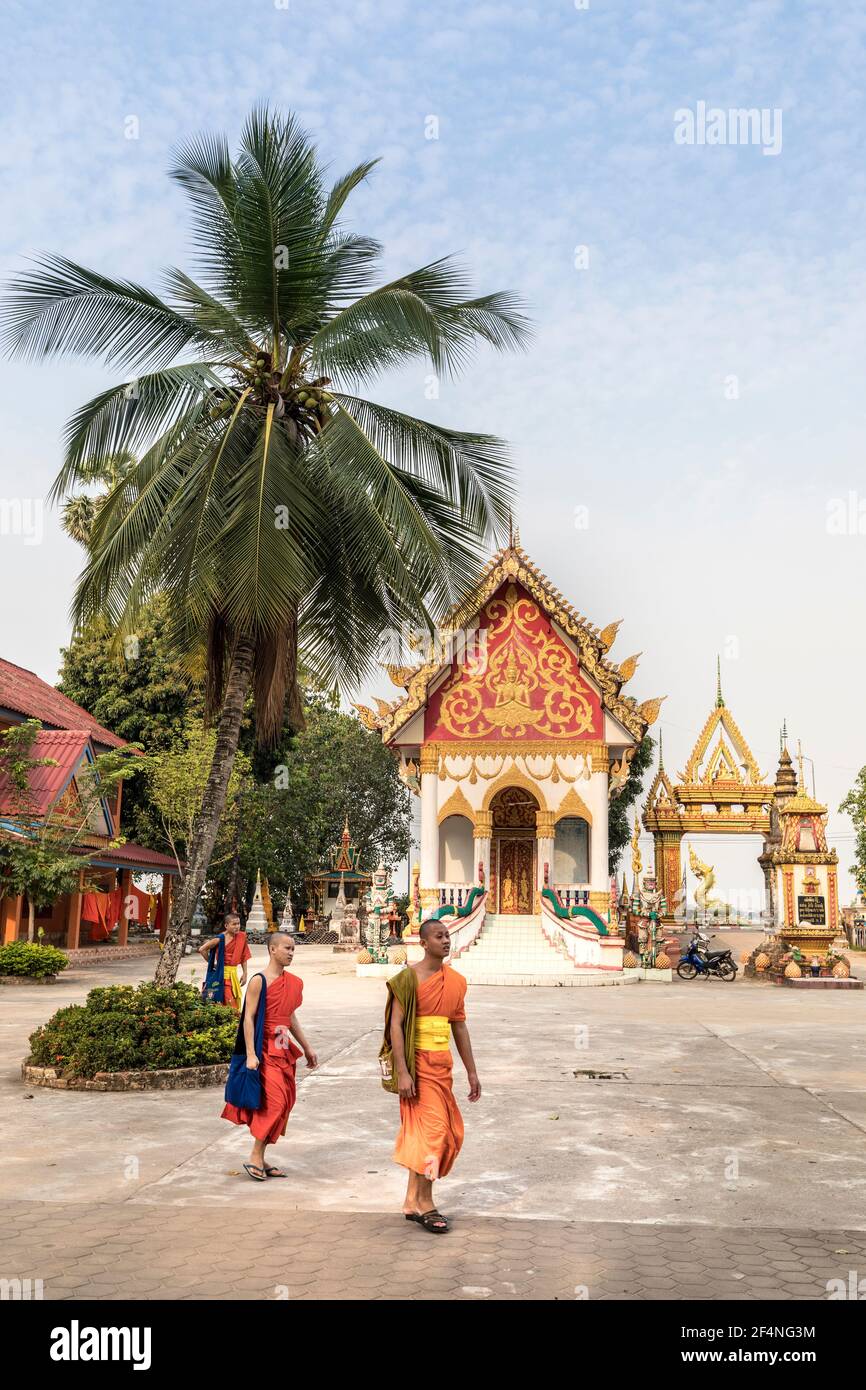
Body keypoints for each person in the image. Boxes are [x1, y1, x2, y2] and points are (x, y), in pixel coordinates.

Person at [387, 920, 481, 1233]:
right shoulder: (407, 979)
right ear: (424, 943)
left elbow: (459, 1026)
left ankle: (411, 1200)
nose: (446, 941)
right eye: (439, 936)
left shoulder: (455, 981)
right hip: (417, 1067)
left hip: (442, 1067)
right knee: (435, 1134)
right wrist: (402, 1071)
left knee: (438, 1133)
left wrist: (471, 1070)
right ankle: (426, 1202)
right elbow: (395, 1026)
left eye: (447, 936)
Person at [221, 932, 318, 1180]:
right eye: (287, 948)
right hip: (264, 1050)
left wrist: (307, 1047)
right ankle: (255, 1156)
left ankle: (261, 1158)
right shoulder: (258, 981)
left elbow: (290, 1017)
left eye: (293, 949)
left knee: (285, 1102)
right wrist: (251, 1055)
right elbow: (248, 1018)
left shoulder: (293, 982)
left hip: (283, 1048)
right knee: (274, 1103)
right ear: (272, 950)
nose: (291, 953)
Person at [199, 911, 250, 1011]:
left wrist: (245, 973)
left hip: (233, 975)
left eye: (238, 924)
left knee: (233, 999)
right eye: (234, 924)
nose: (237, 926)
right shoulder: (220, 939)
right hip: (222, 975)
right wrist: (211, 963)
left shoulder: (242, 937)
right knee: (226, 1001)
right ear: (226, 925)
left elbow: (244, 956)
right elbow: (202, 949)